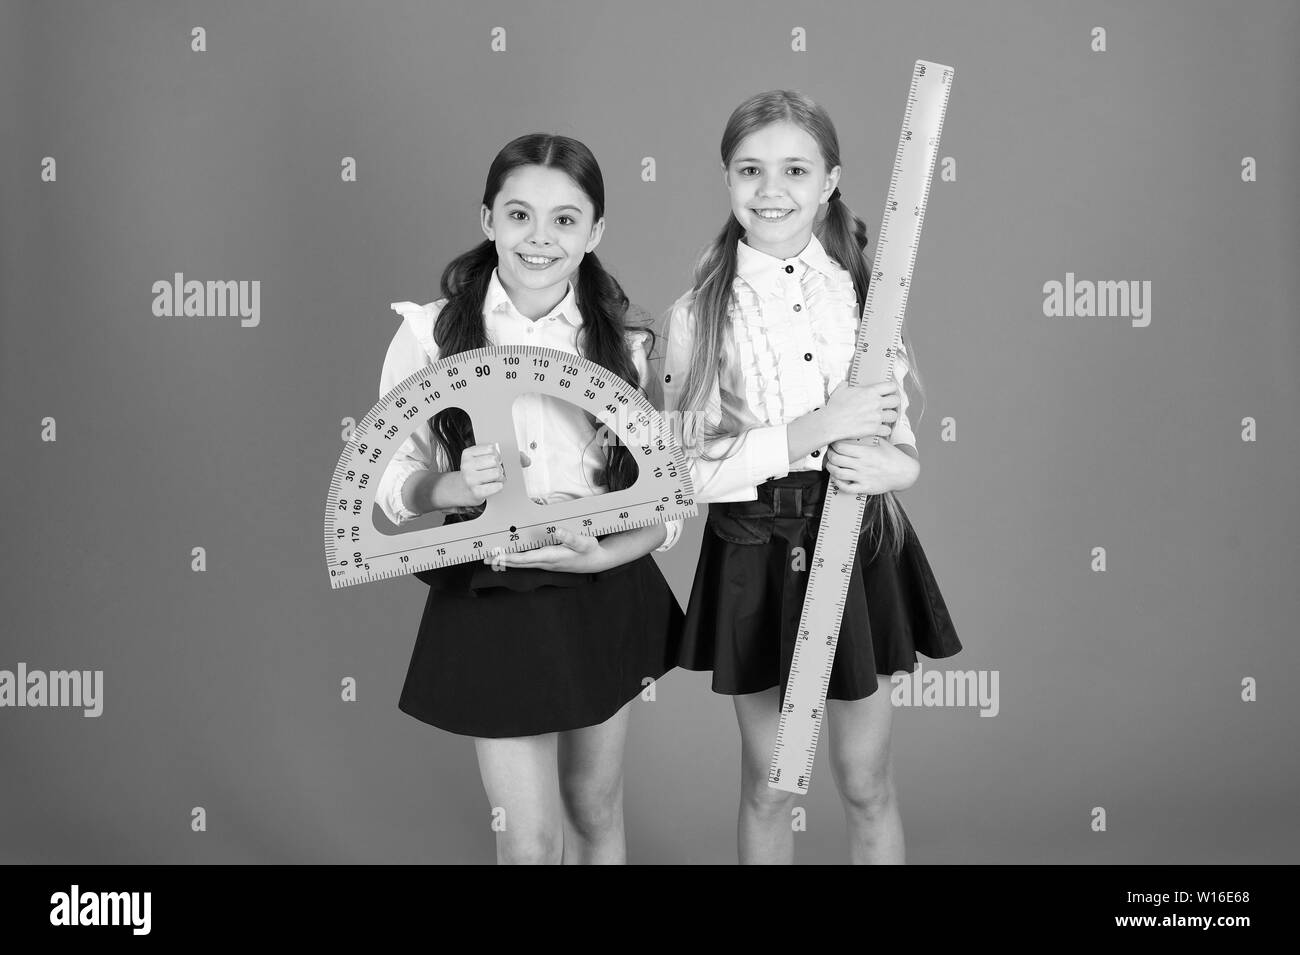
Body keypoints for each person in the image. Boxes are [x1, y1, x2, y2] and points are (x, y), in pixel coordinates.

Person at [662, 90, 963, 864]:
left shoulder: (865, 293)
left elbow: (901, 447)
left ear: (830, 180)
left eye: (795, 169)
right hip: (757, 549)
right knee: (772, 784)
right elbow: (679, 475)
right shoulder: (698, 315)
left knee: (867, 783)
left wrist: (893, 464)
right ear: (727, 181)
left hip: (861, 543)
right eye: (749, 169)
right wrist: (811, 432)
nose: (771, 190)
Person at [376, 133, 684, 864]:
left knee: (594, 808)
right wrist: (452, 486)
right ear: (487, 220)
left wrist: (598, 554)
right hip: (494, 587)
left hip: (603, 583)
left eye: (565, 219)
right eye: (519, 215)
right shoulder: (428, 333)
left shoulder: (632, 341)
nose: (539, 238)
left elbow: (667, 505)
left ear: (596, 232)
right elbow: (390, 484)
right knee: (529, 842)